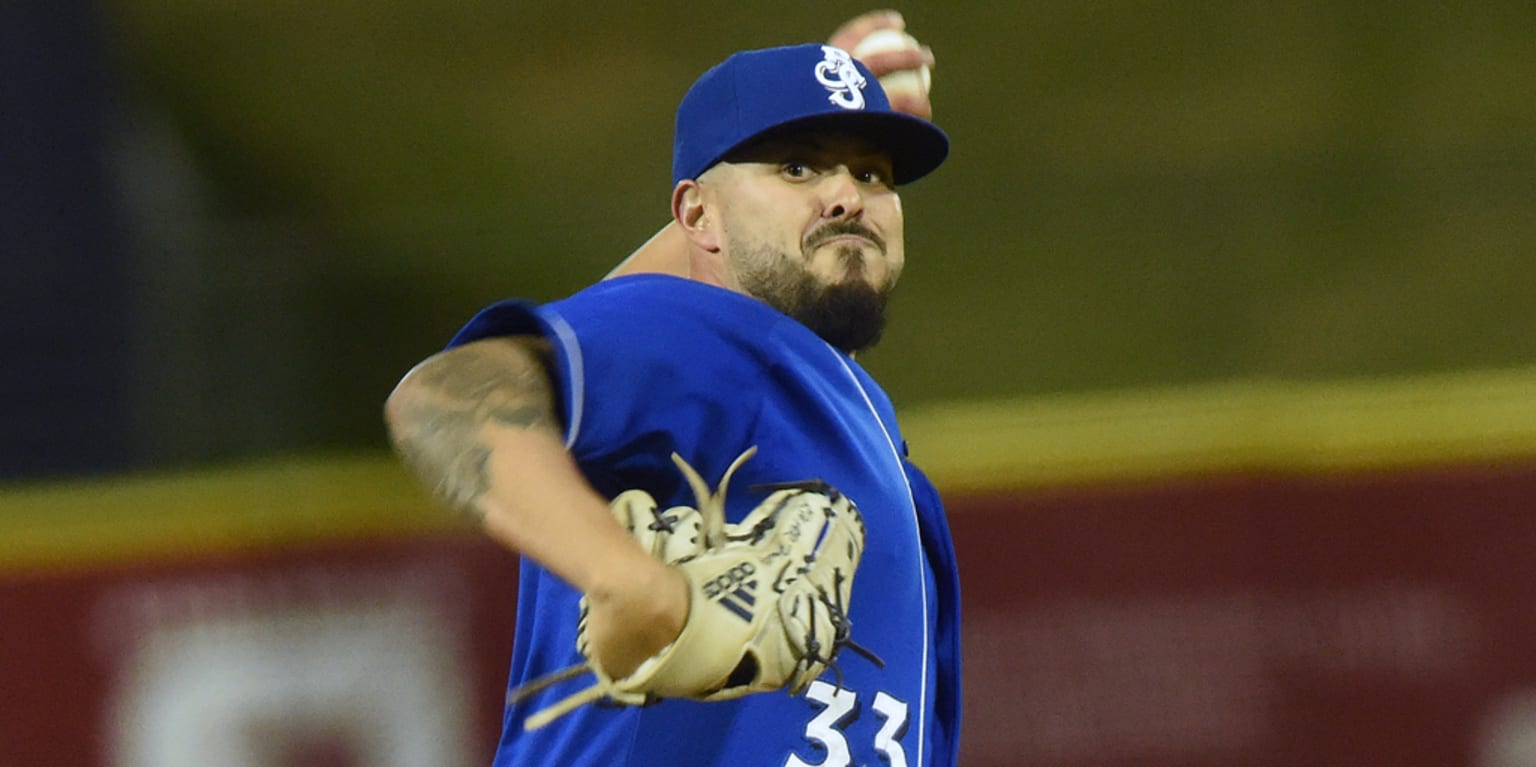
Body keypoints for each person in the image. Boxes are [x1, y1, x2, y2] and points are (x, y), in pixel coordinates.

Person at [384, 23, 962, 767]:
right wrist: (630, 580)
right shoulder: (716, 342)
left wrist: (786, 178)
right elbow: (446, 397)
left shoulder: (853, 417)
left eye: (874, 174)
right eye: (796, 166)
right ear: (695, 215)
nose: (848, 193)